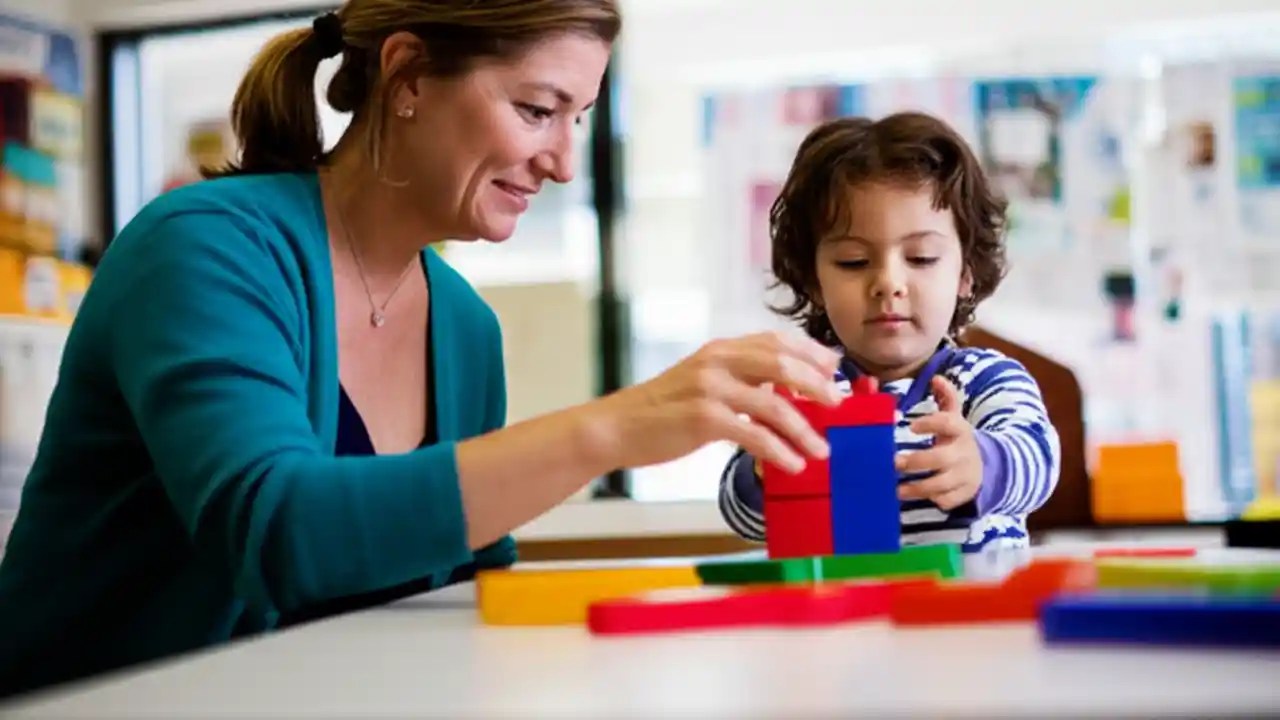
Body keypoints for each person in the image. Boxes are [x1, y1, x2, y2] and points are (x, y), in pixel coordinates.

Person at [0, 0, 845, 699]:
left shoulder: (466, 327)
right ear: (407, 77)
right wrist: (612, 430)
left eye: (578, 118)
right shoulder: (205, 247)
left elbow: (464, 589)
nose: (562, 163)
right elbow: (276, 531)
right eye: (537, 110)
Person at [719, 112, 1061, 554]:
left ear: (966, 275)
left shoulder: (985, 379)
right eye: (853, 262)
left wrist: (983, 462)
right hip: (846, 613)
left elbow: (1039, 458)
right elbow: (743, 515)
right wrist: (766, 469)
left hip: (967, 610)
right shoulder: (807, 387)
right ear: (812, 281)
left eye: (920, 258)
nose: (888, 283)